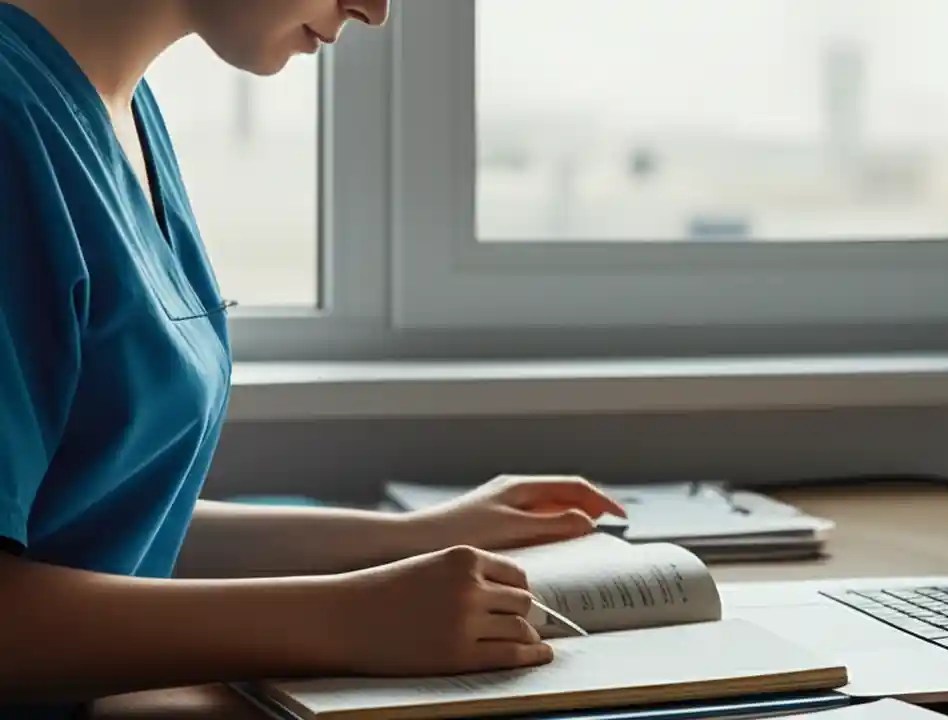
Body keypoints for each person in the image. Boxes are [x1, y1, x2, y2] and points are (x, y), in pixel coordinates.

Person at [0, 1, 627, 716]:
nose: (375, 11)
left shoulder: (119, 107)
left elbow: (107, 526)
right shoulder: (11, 127)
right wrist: (344, 620)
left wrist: (417, 537)